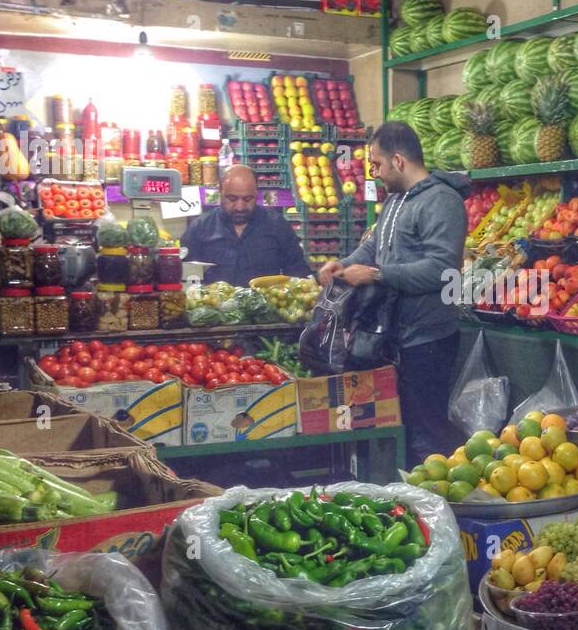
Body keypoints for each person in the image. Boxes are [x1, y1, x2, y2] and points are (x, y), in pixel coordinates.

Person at [318, 121, 469, 467]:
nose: (374, 172)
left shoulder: (441, 202)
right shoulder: (396, 201)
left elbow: (442, 270)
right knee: (406, 428)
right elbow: (373, 248)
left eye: (377, 164)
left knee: (429, 432)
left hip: (428, 339)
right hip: (394, 339)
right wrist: (341, 266)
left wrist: (376, 274)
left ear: (399, 161)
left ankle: (450, 503)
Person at [182, 165, 310, 285]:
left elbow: (298, 272)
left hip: (265, 307)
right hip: (213, 307)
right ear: (220, 192)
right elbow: (185, 276)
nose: (240, 207)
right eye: (232, 199)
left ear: (256, 193)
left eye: (248, 199)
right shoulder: (199, 228)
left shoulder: (277, 226)